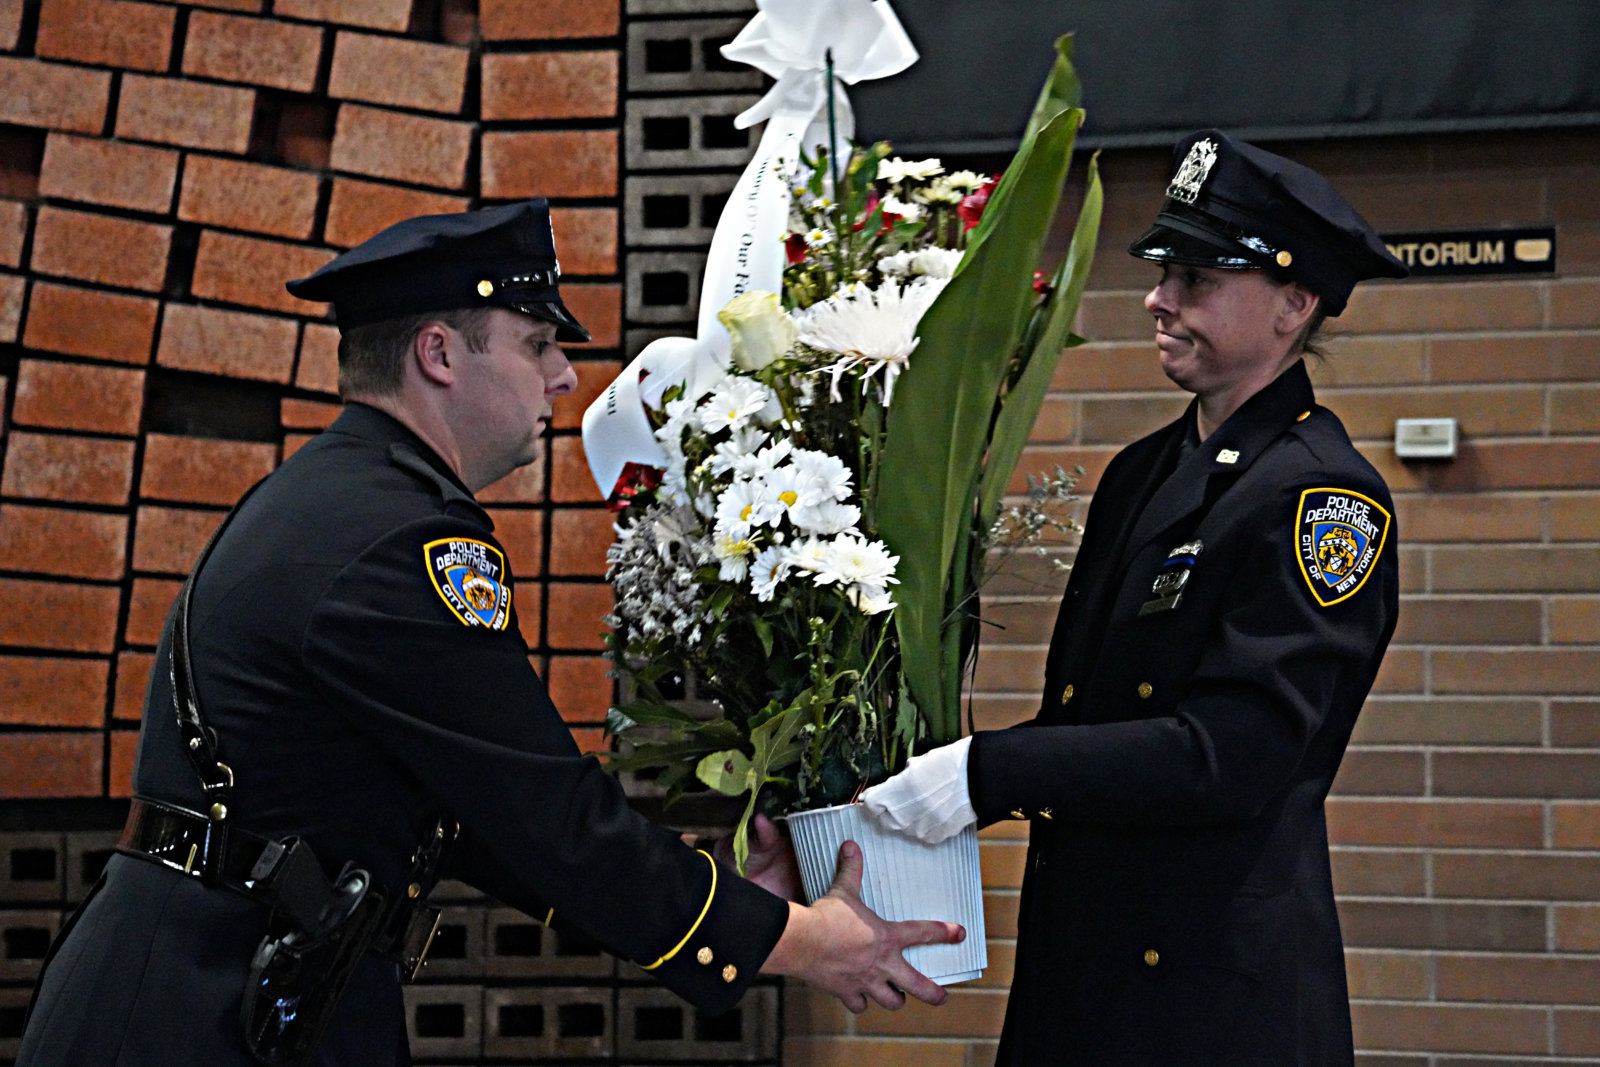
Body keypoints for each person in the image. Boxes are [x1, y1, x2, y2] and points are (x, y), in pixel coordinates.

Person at [18, 200, 961, 1066]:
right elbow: (549, 817)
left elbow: (478, 823)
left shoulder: (345, 499)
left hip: (223, 981)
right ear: (439, 353)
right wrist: (800, 940)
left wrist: (746, 912)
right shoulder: (404, 539)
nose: (562, 375)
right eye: (537, 342)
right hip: (202, 1011)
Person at [862, 130, 1409, 1064]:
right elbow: (1091, 714)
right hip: (1090, 965)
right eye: (1163, 272)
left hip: (1205, 996)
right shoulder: (1144, 469)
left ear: (1295, 303)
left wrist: (990, 773)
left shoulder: (1321, 497)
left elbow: (1231, 754)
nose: (1158, 298)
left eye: (1196, 278)